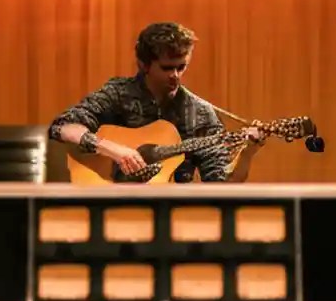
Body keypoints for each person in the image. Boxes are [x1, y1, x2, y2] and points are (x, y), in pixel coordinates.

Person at [48, 22, 263, 183]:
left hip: (171, 211)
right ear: (143, 64)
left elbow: (221, 184)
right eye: (167, 68)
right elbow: (62, 127)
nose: (176, 76)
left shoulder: (200, 113)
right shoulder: (119, 93)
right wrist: (114, 150)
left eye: (181, 67)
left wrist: (247, 154)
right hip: (110, 200)